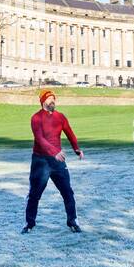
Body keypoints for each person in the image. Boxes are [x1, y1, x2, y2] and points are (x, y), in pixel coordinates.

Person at [23, 89, 84, 234]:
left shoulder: (60, 117)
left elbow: (70, 133)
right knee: (34, 194)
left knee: (68, 192)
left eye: (54, 99)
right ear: (43, 101)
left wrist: (76, 149)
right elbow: (40, 138)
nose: (53, 101)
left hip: (58, 161)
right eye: (50, 99)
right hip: (40, 161)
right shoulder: (36, 118)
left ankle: (72, 221)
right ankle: (29, 224)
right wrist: (53, 151)